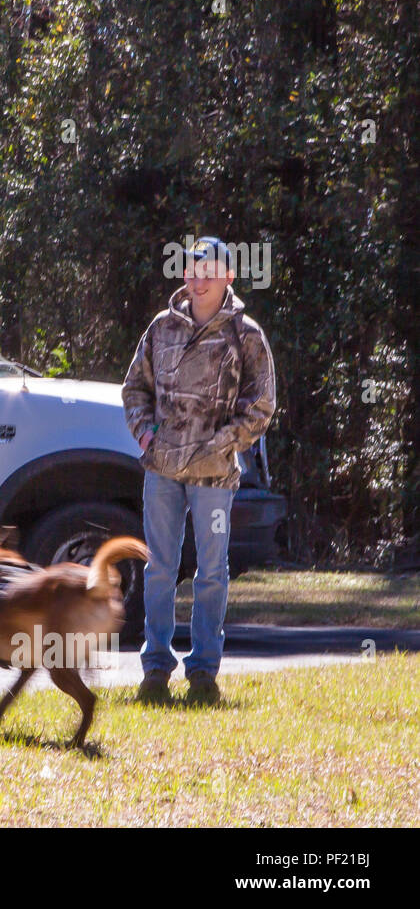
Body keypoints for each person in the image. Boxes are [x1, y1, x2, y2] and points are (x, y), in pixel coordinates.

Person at [122, 236, 276, 704]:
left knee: (212, 571)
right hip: (162, 470)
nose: (199, 279)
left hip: (215, 477)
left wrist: (223, 443)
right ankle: (155, 671)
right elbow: (134, 389)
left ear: (229, 276)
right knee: (160, 568)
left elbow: (262, 403)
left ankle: (204, 673)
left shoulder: (245, 334)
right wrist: (147, 435)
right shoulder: (162, 327)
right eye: (192, 270)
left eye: (209, 271)